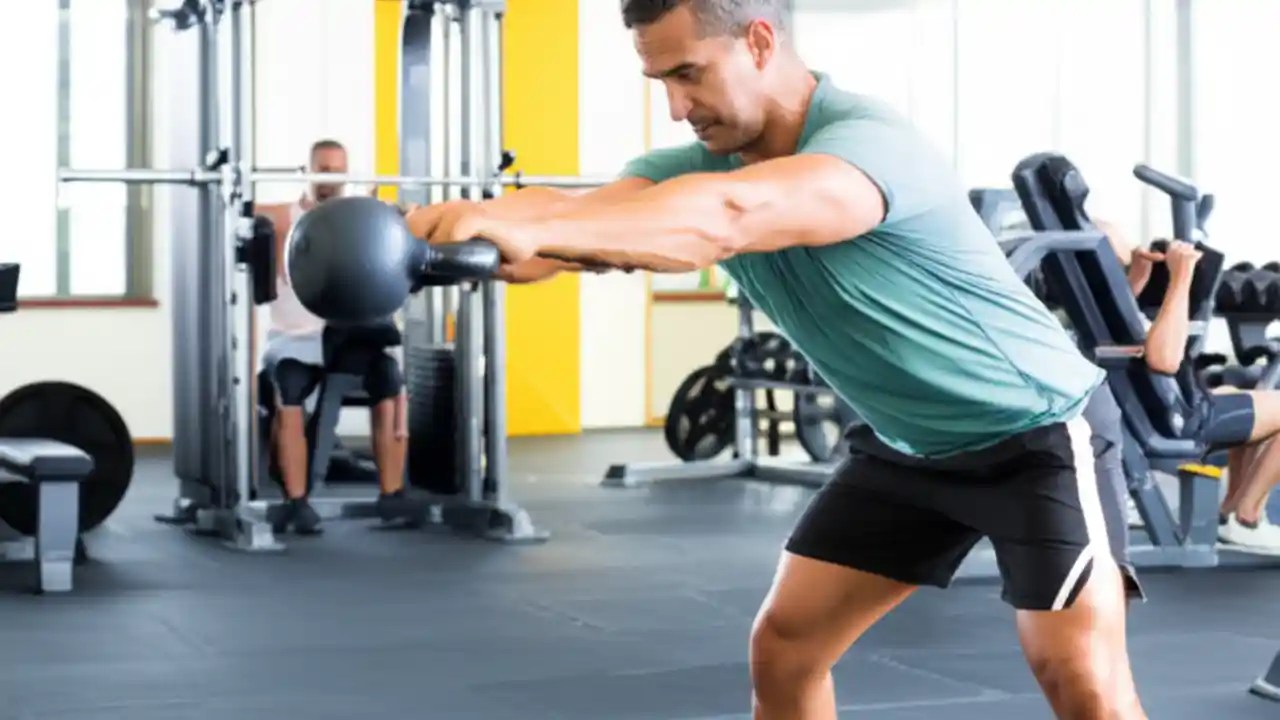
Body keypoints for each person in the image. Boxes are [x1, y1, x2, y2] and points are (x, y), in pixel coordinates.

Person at [409, 2, 1146, 717]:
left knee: (1081, 679)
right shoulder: (698, 166)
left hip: (1036, 435)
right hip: (908, 446)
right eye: (661, 81)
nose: (676, 106)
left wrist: (530, 229)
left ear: (760, 41)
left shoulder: (866, 147)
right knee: (786, 650)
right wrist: (457, 229)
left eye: (690, 74)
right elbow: (585, 215)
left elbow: (727, 217)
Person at [257, 138, 413, 535]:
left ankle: (391, 497)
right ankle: (296, 503)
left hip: (348, 337)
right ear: (307, 171)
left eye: (338, 171)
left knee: (387, 378)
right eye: (323, 170)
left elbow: (405, 226)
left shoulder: (358, 221)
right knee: (288, 386)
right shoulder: (283, 219)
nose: (331, 180)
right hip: (296, 340)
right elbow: (236, 213)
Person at [1118, 233, 1280, 552]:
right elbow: (1164, 359)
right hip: (1178, 419)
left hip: (1166, 407)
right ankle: (1248, 517)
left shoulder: (1095, 304)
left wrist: (1137, 276)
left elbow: (1121, 324)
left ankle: (1229, 512)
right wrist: (1182, 276)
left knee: (1235, 390)